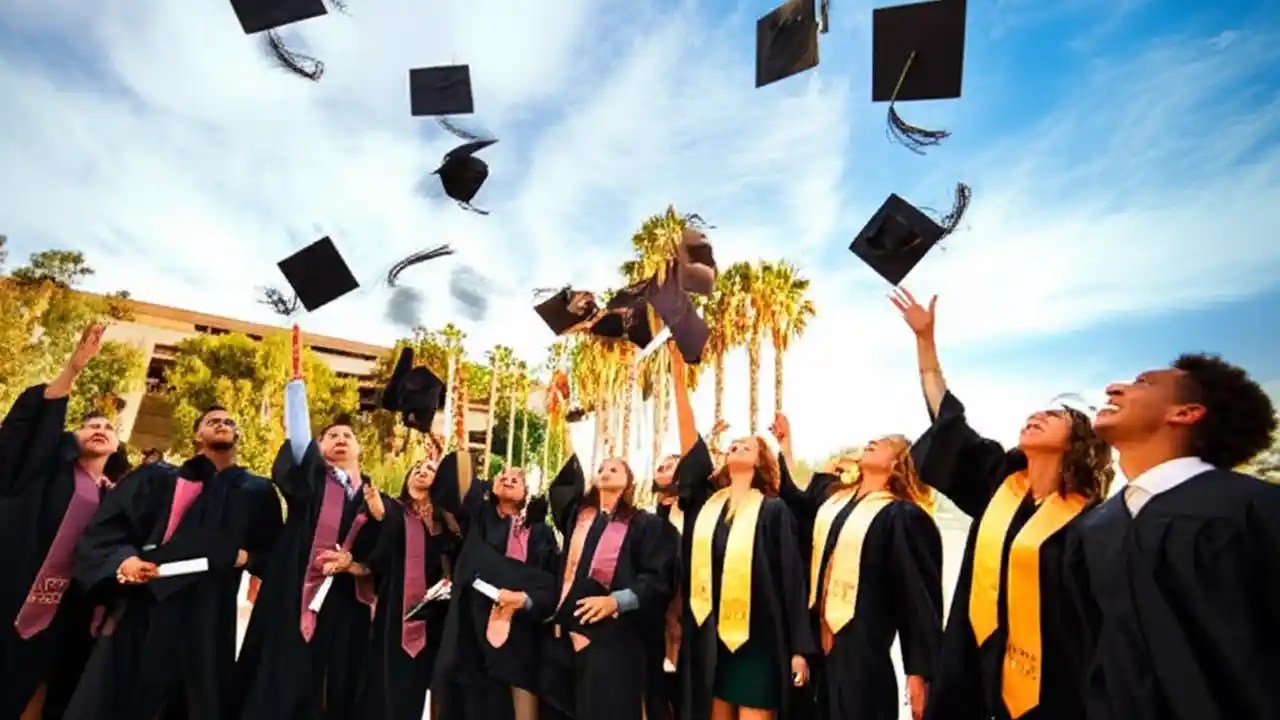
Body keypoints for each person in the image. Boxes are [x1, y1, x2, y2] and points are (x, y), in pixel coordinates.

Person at [891, 287, 1114, 720]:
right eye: (1036, 412)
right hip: (969, 663)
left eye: (1056, 416)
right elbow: (948, 421)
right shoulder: (999, 482)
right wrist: (925, 341)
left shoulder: (1092, 519)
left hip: (1054, 685)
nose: (1038, 415)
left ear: (1079, 445)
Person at [1073, 353, 1280, 719]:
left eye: (1143, 382)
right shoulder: (1098, 528)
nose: (1112, 388)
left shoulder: (1255, 509)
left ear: (1185, 413)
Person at [65, 400, 282, 719]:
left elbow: (275, 552)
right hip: (147, 601)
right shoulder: (157, 478)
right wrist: (124, 562)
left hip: (210, 611)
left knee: (192, 700)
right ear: (196, 435)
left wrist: (245, 556)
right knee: (123, 695)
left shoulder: (257, 491)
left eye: (229, 421)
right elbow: (109, 527)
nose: (222, 424)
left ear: (238, 436)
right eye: (212, 420)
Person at [233, 348, 390, 720]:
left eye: (348, 435)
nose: (340, 439)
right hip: (293, 591)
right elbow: (299, 444)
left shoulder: (375, 498)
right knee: (283, 673)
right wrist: (296, 396)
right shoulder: (313, 481)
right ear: (320, 449)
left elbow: (384, 552)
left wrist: (355, 563)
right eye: (331, 435)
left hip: (345, 604)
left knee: (334, 680)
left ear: (359, 447)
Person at [670, 346, 815, 720]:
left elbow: (792, 580)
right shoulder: (708, 505)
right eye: (734, 444)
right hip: (711, 639)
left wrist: (799, 648)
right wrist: (677, 373)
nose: (738, 446)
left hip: (759, 641)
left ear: (761, 460)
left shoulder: (772, 509)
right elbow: (689, 442)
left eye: (748, 445)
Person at [772, 414, 943, 720]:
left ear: (897, 465)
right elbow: (796, 502)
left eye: (887, 443)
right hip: (817, 646)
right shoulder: (833, 500)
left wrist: (918, 672)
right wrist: (786, 448)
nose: (873, 441)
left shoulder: (901, 516)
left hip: (863, 650)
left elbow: (917, 597)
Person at [0, 325, 128, 720]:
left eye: (108, 428)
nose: (100, 430)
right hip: (11, 587)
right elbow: (27, 427)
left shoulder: (117, 498)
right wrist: (73, 369)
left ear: (118, 445)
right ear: (73, 436)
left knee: (41, 687)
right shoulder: (45, 470)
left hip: (64, 612)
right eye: (91, 425)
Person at [541, 426, 677, 720]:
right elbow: (565, 482)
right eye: (602, 468)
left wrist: (615, 601)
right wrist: (573, 422)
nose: (606, 471)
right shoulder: (579, 518)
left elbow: (657, 578)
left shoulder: (645, 524)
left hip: (614, 638)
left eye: (615, 468)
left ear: (629, 482)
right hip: (564, 635)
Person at [430, 458, 559, 720]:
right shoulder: (478, 517)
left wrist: (524, 599)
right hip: (471, 625)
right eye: (502, 475)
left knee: (518, 702)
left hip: (520, 628)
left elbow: (551, 582)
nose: (508, 478)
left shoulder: (540, 533)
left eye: (517, 478)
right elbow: (455, 485)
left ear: (527, 494)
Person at [360, 448, 462, 720]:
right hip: (396, 606)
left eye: (429, 469)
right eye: (417, 467)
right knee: (389, 681)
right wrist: (380, 515)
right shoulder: (394, 509)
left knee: (431, 683)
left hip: (436, 614)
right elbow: (377, 553)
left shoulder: (448, 522)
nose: (421, 471)